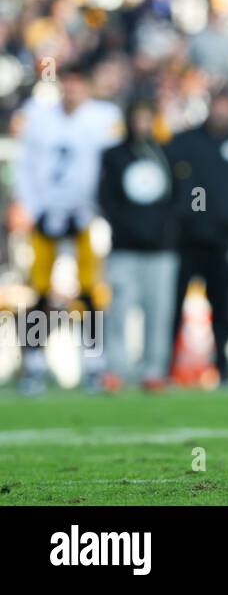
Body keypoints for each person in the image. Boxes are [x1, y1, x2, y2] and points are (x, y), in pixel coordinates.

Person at [13, 62, 123, 393]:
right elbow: (24, 164)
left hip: (85, 215)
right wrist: (33, 207)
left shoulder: (103, 117)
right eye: (69, 84)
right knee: (38, 290)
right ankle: (32, 363)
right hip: (46, 213)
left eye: (79, 84)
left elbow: (111, 167)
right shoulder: (38, 115)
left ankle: (93, 363)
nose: (73, 90)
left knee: (89, 291)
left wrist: (93, 208)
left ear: (87, 88)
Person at [168, 90, 228, 384]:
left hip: (223, 240)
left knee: (222, 306)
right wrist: (189, 212)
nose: (221, 112)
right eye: (217, 106)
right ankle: (165, 367)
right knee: (174, 305)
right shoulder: (186, 143)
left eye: (226, 106)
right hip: (186, 239)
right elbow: (173, 182)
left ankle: (222, 367)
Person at [98, 97, 178, 391]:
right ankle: (115, 369)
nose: (141, 124)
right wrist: (128, 227)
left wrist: (174, 226)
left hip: (161, 248)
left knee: (158, 313)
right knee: (119, 310)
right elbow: (105, 199)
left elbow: (190, 194)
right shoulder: (113, 155)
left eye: (147, 117)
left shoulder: (166, 154)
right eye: (137, 117)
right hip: (124, 247)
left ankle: (154, 370)